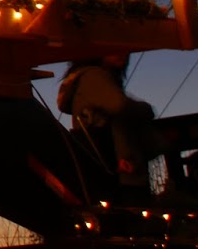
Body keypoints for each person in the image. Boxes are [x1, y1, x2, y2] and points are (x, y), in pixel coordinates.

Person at [58, 54, 159, 196]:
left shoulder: (89, 79)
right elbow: (118, 105)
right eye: (113, 49)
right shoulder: (94, 76)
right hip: (121, 170)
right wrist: (146, 109)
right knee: (131, 204)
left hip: (109, 169)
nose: (123, 53)